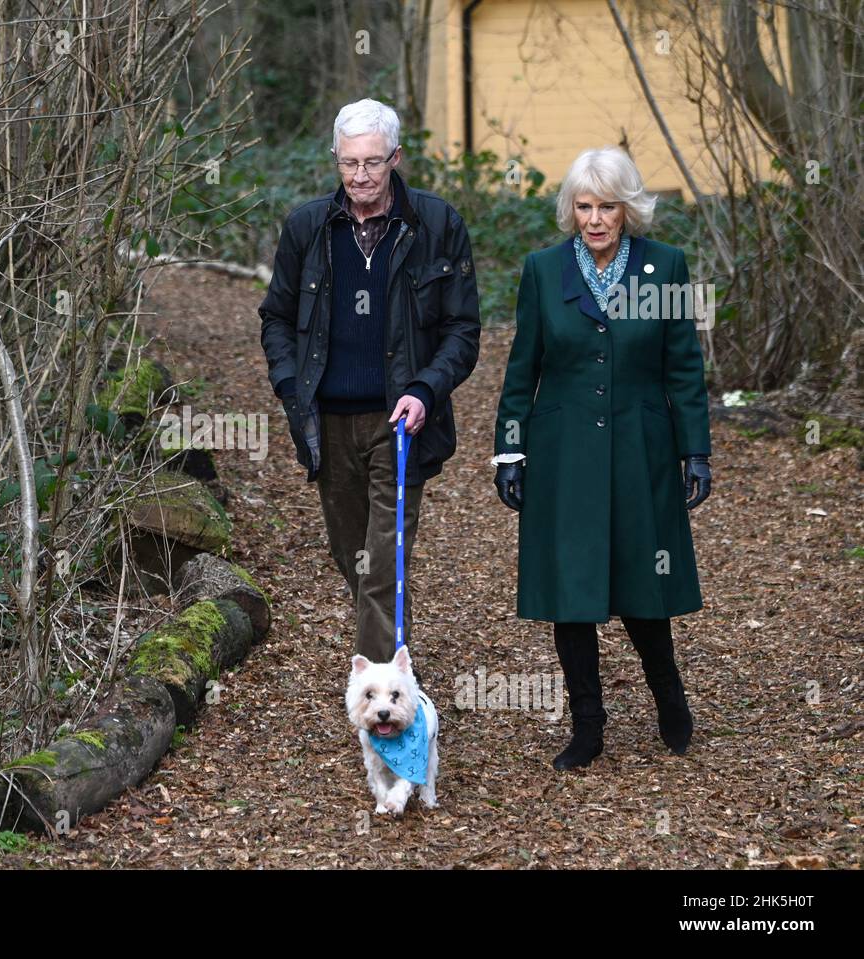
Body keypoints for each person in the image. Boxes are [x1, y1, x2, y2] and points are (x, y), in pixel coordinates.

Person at [492, 146, 713, 770]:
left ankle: (668, 694)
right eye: (584, 206)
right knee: (573, 589)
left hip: (642, 447)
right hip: (562, 453)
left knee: (644, 580)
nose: (594, 219)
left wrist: (696, 449)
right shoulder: (542, 270)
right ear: (572, 209)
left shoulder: (666, 267)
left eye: (607, 207)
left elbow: (683, 367)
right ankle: (588, 724)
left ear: (627, 210)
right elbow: (521, 369)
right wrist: (510, 449)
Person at [259, 98, 480, 666]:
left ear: (396, 159)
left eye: (374, 163)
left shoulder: (436, 224)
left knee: (383, 567)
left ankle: (382, 708)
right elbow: (277, 317)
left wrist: (425, 389)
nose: (361, 176)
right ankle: (395, 668)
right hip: (326, 424)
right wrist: (290, 388)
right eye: (350, 162)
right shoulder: (308, 227)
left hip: (399, 418)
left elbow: (462, 329)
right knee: (354, 558)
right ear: (336, 159)